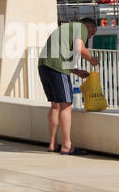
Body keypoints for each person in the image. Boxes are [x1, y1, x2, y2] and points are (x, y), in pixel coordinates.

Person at [38, 17, 99, 155]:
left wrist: (76, 71)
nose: (89, 37)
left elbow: (58, 56)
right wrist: (92, 60)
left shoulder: (65, 28)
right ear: (89, 26)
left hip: (43, 65)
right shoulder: (81, 28)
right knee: (66, 105)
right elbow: (79, 48)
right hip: (57, 67)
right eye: (91, 33)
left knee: (55, 105)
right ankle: (66, 145)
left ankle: (53, 144)